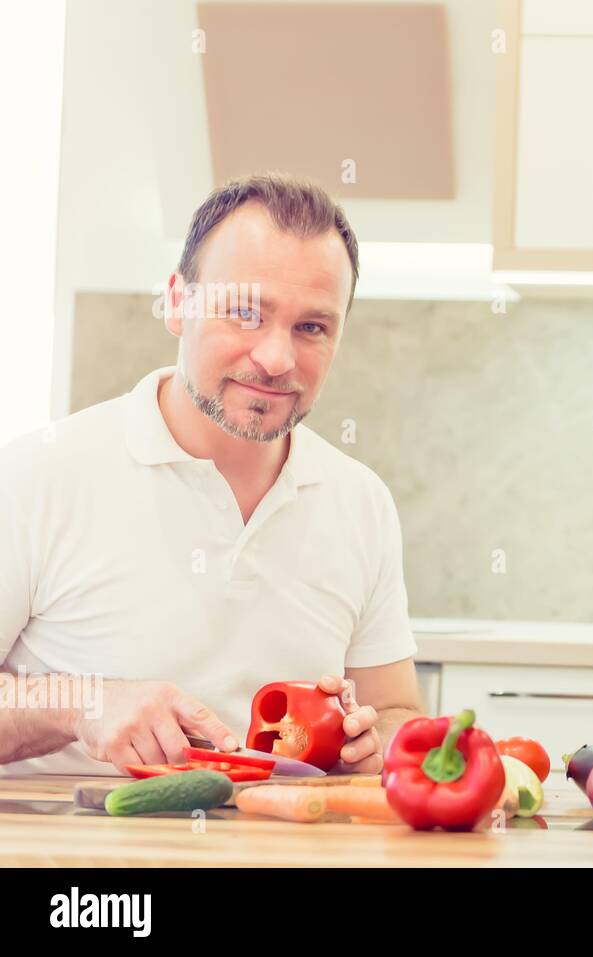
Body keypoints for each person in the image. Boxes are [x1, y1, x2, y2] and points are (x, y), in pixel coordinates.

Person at [0, 174, 421, 776]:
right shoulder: (35, 475)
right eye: (245, 312)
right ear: (177, 302)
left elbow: (397, 710)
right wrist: (81, 704)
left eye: (312, 327)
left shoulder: (361, 501)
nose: (277, 359)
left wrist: (371, 736)